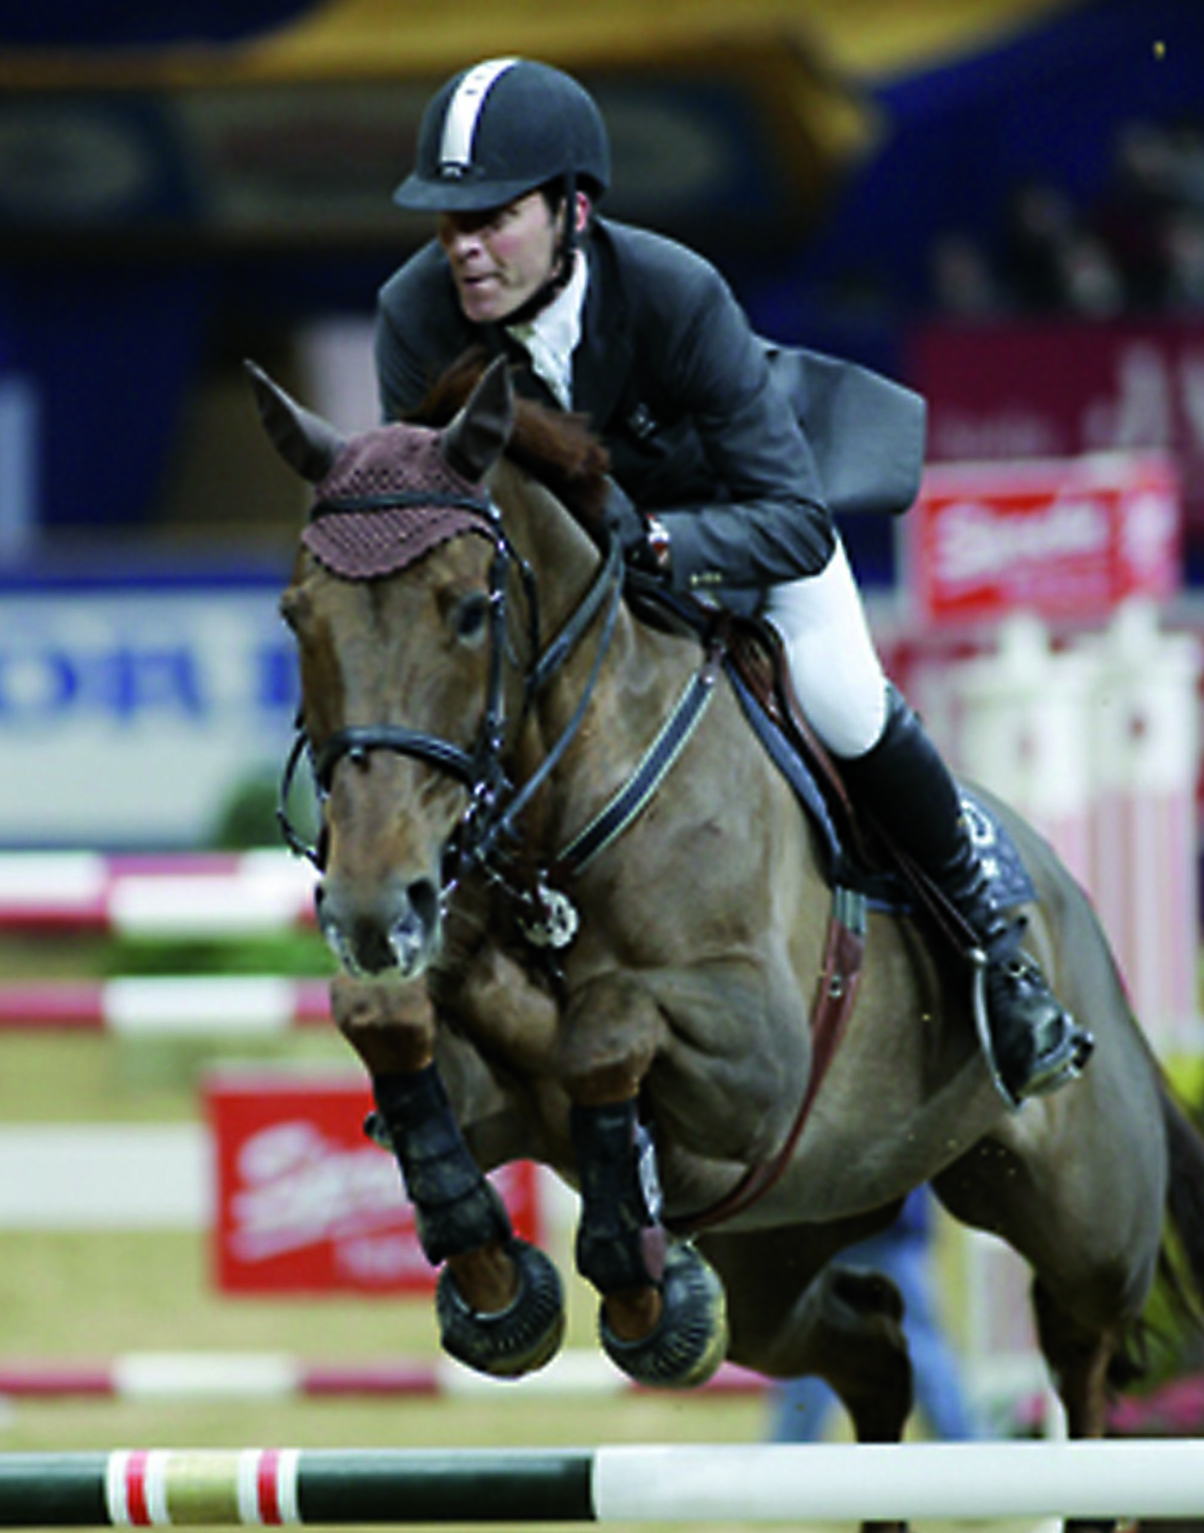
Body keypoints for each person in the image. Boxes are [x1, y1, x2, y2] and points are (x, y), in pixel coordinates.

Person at [375, 55, 1091, 1108]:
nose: (463, 248)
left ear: (574, 208)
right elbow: (426, 516)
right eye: (447, 222)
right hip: (570, 599)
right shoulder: (414, 314)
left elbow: (793, 521)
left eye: (492, 217)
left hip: (735, 543)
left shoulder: (672, 293)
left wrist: (658, 539)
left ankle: (999, 955)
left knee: (842, 700)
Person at [767, 1188, 985, 1445]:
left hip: (838, 1226)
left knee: (813, 1350)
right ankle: (969, 1450)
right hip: (881, 1223)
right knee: (921, 1348)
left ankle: (787, 1456)